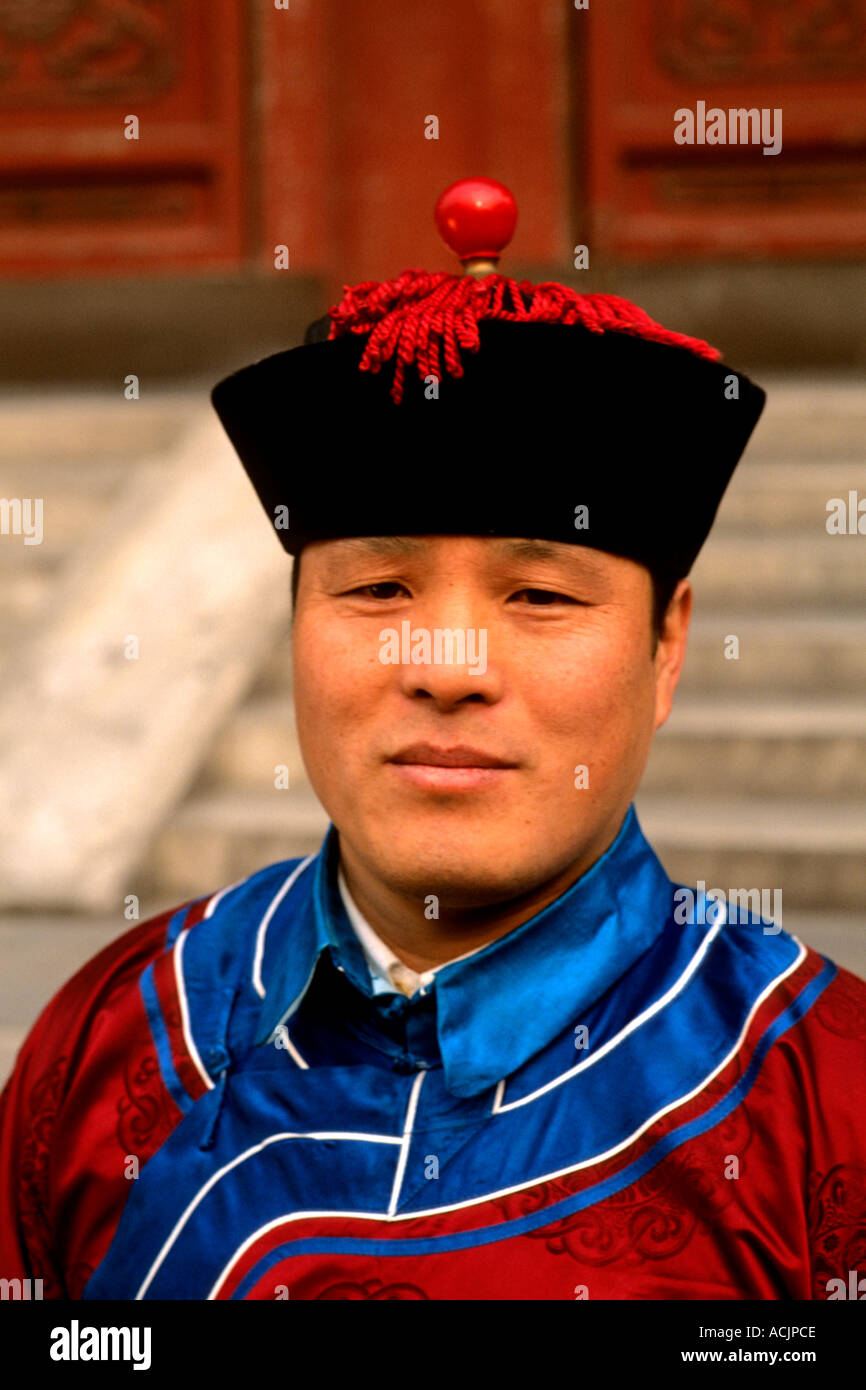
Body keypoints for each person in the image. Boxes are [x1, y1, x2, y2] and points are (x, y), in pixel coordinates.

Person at [1, 180, 864, 1301]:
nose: (446, 667)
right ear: (294, 622)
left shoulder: (821, 1096)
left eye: (541, 597)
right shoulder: (113, 1035)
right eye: (378, 586)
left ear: (665, 647)